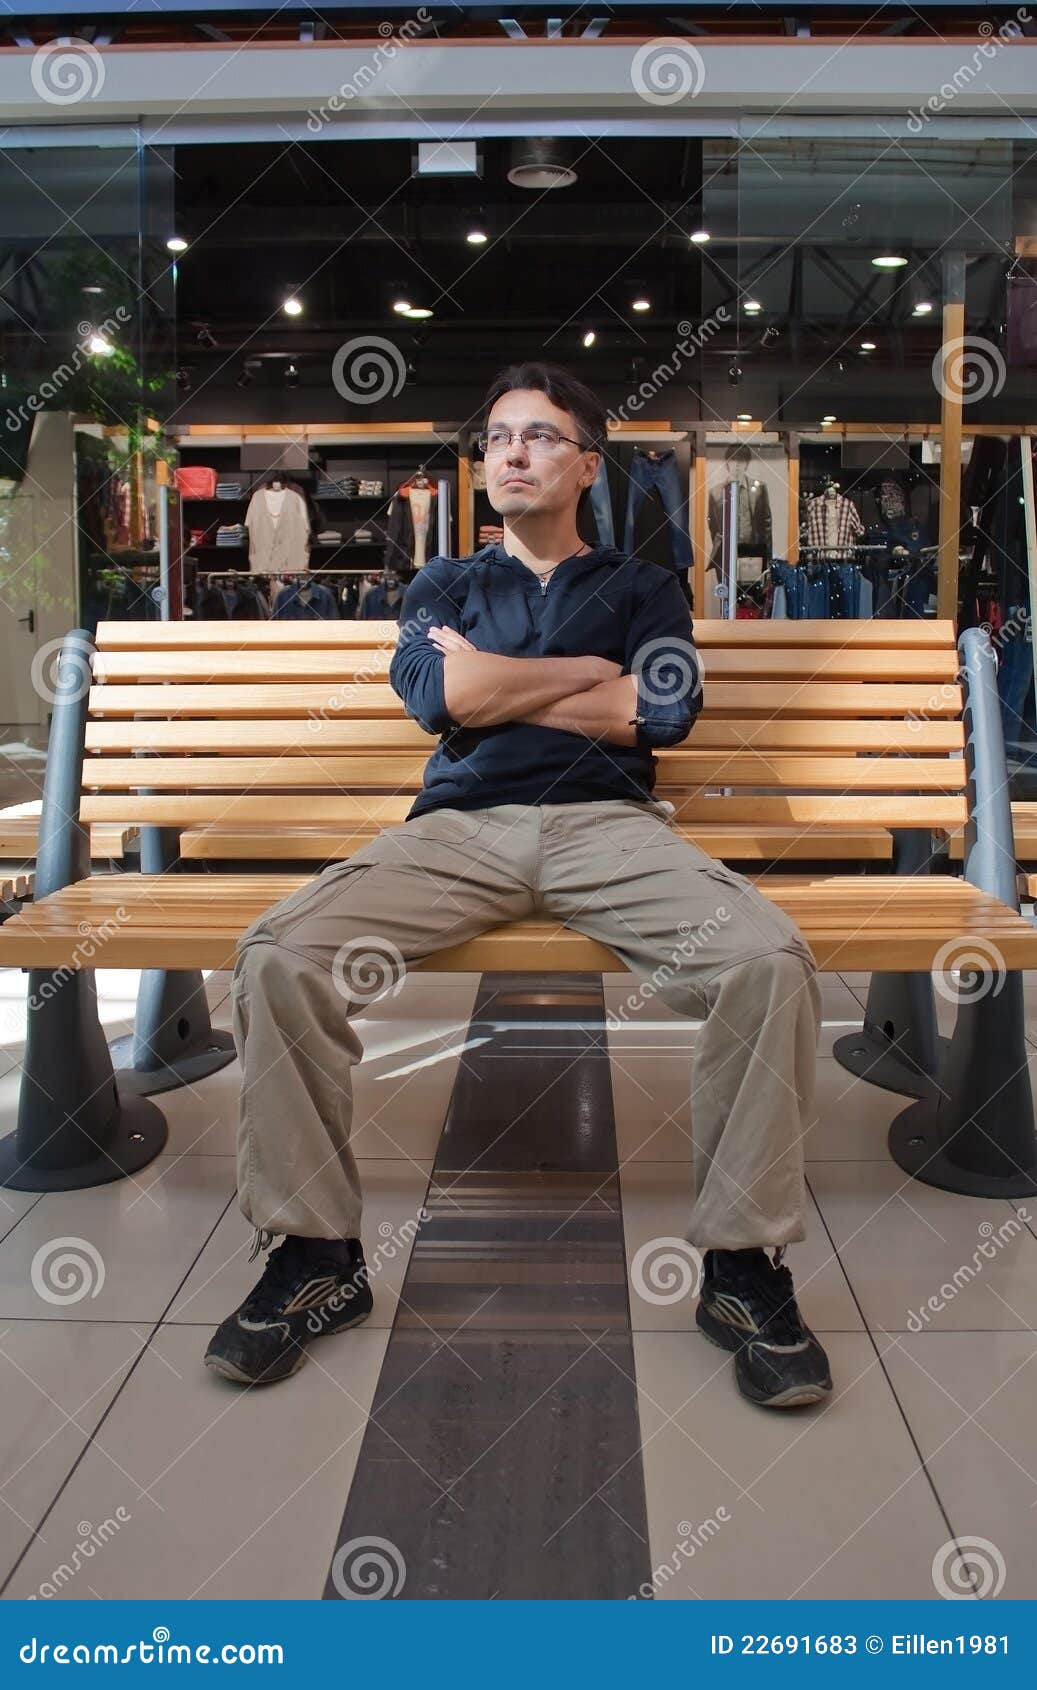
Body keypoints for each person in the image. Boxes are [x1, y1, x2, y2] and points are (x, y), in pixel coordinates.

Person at [206, 361, 830, 1410]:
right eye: (498, 436)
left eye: (539, 436)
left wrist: (494, 688)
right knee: (278, 954)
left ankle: (738, 1268)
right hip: (458, 832)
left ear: (586, 464)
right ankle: (317, 1258)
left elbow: (663, 713)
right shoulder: (444, 585)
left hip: (609, 829)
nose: (511, 453)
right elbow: (435, 698)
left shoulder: (641, 586)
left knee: (766, 963)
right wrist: (588, 676)